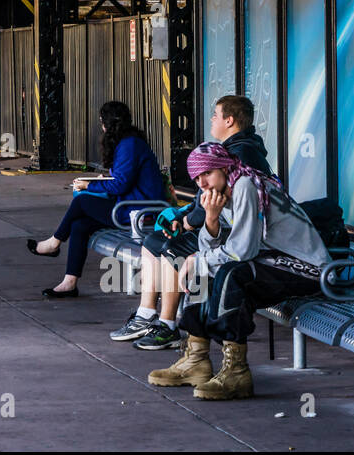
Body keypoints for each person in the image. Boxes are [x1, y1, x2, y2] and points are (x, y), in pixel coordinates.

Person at [146, 142, 331, 400]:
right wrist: (210, 220)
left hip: (309, 269)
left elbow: (242, 251)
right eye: (197, 178)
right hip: (271, 260)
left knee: (231, 273)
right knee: (205, 270)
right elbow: (220, 248)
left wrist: (198, 259)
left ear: (224, 167)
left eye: (207, 173)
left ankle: (237, 372)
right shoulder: (224, 192)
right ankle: (196, 358)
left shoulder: (245, 185)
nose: (202, 183)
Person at [111, 95, 272, 350]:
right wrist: (184, 217)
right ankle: (146, 314)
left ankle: (168, 325)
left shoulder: (240, 152)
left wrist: (187, 222)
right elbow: (204, 199)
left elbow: (213, 202)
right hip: (220, 226)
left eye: (216, 115)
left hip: (233, 235)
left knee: (172, 249)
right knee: (154, 241)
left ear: (229, 121)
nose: (212, 119)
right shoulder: (239, 146)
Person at [26, 100, 165, 298]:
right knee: (79, 226)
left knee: (82, 201)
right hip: (131, 205)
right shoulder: (130, 142)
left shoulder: (129, 145)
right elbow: (124, 179)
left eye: (101, 121)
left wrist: (89, 185)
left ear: (106, 123)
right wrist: (103, 180)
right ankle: (69, 283)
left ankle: (54, 243)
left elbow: (121, 185)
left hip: (139, 211)